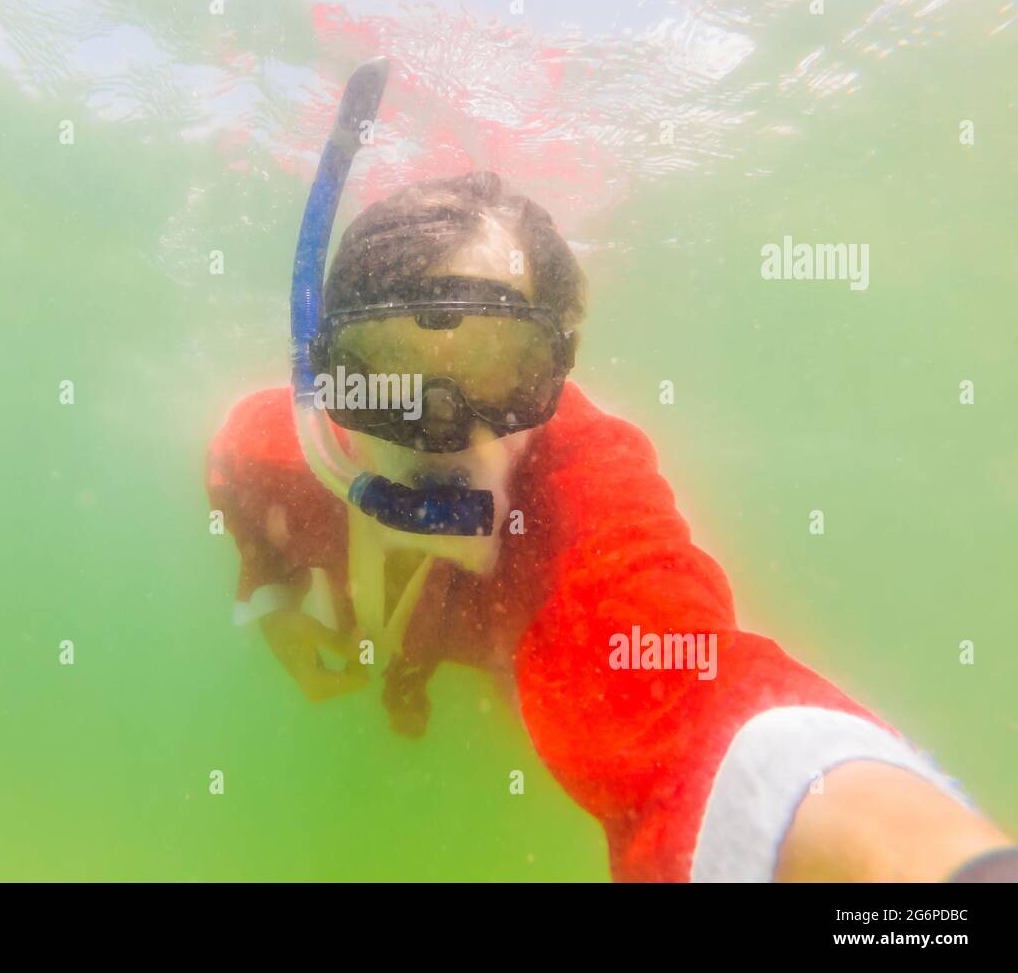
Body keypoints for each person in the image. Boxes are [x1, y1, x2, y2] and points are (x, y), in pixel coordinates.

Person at [205, 63, 1013, 883]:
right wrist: (265, 591)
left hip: (503, 656)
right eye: (392, 378)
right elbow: (231, 471)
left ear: (555, 376)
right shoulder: (275, 447)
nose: (445, 433)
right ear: (328, 378)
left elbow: (692, 712)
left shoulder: (582, 485)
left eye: (498, 371)